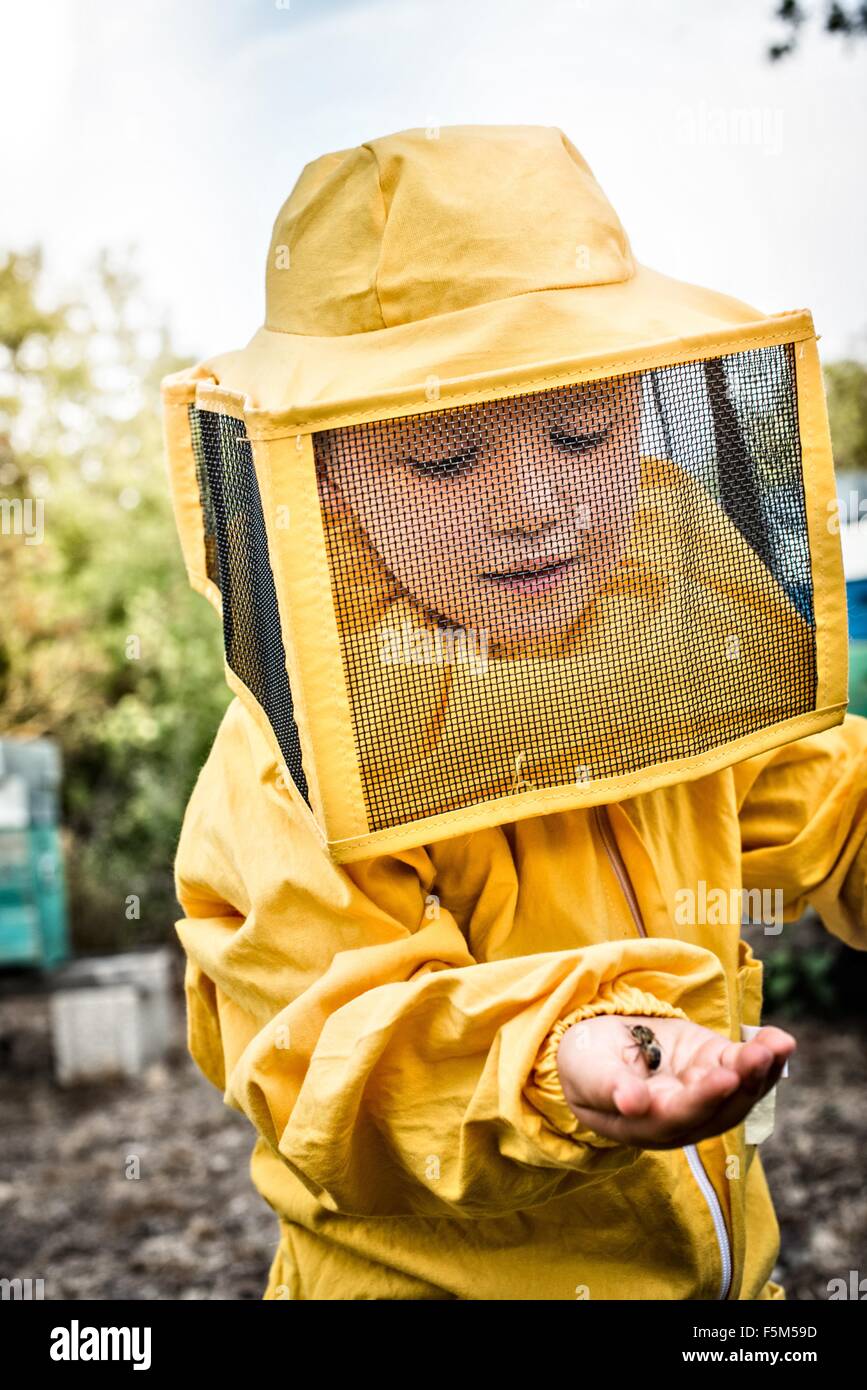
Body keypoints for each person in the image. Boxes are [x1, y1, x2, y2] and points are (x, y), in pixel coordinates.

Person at [164, 124, 867, 1300]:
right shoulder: (294, 765)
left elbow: (827, 804)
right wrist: (557, 1058)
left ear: (642, 406)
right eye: (443, 461)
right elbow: (330, 1057)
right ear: (325, 471)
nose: (537, 505)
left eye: (583, 433)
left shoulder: (679, 631)